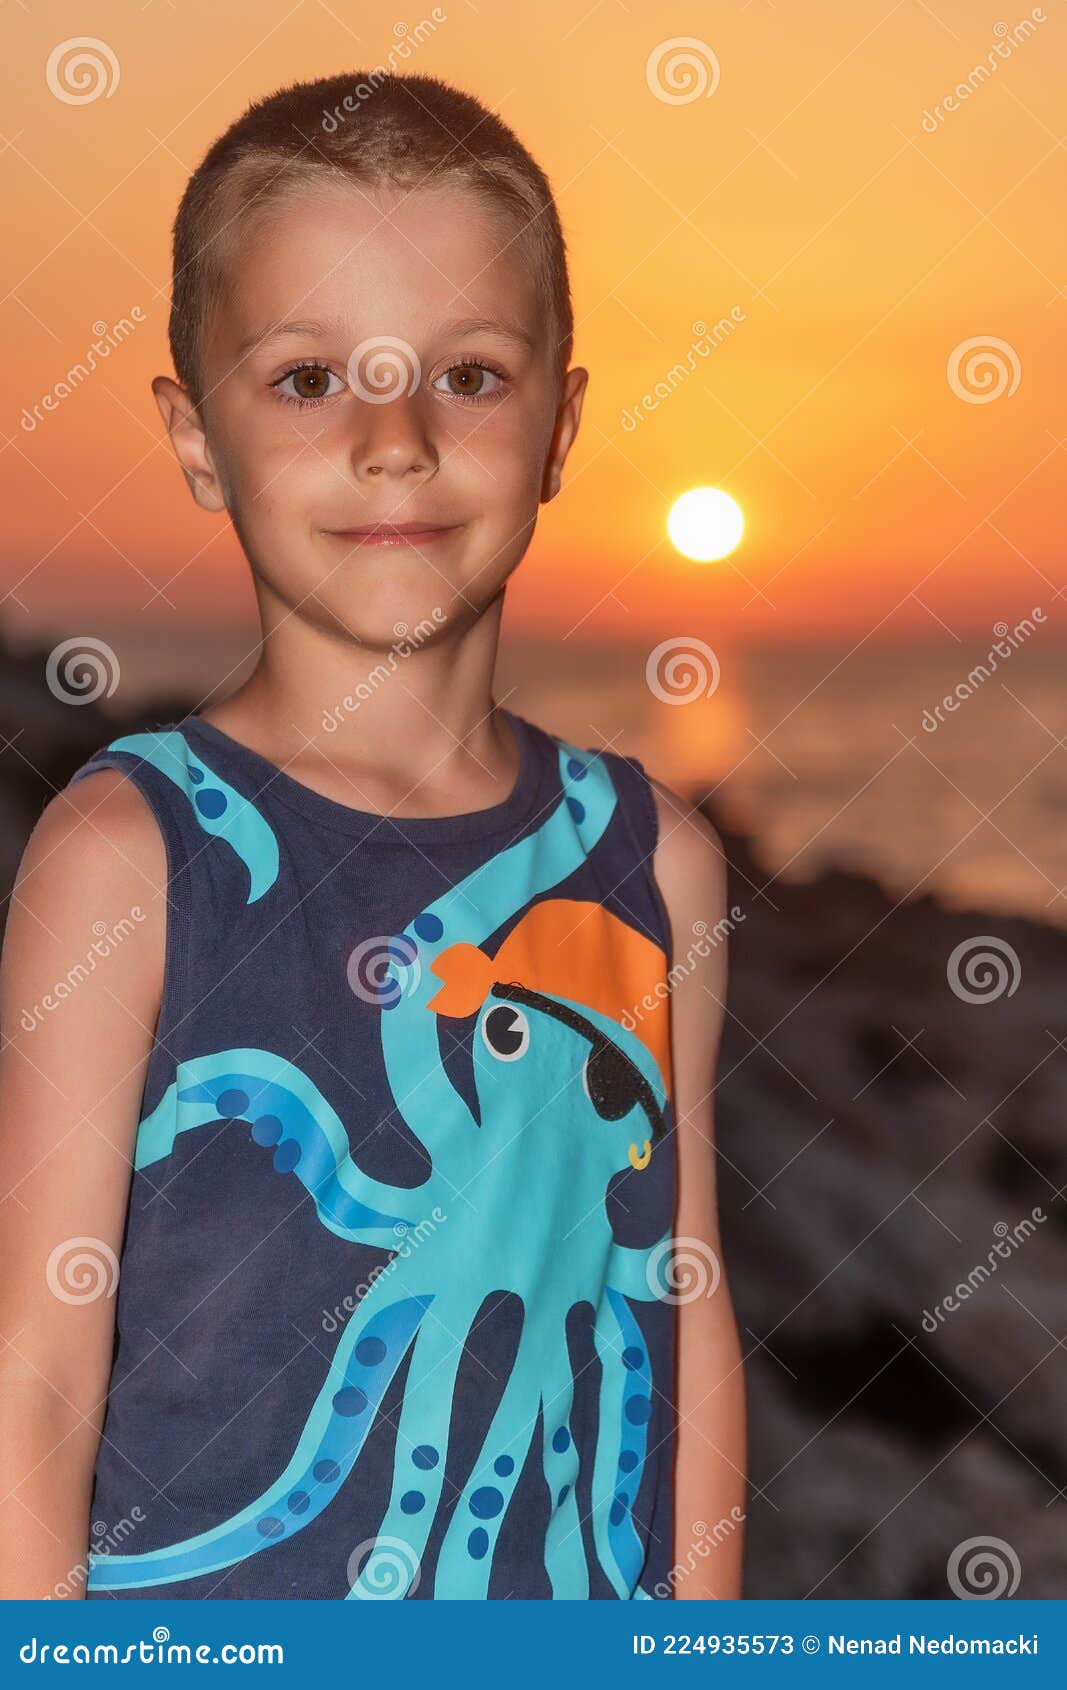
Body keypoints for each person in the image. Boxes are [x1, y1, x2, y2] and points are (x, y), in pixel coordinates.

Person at [0, 71, 745, 1601]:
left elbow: (685, 1290)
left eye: (469, 376)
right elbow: (38, 1366)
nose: (394, 439)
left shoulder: (656, 859)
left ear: (562, 424)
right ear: (194, 437)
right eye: (305, 378)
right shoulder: (126, 855)